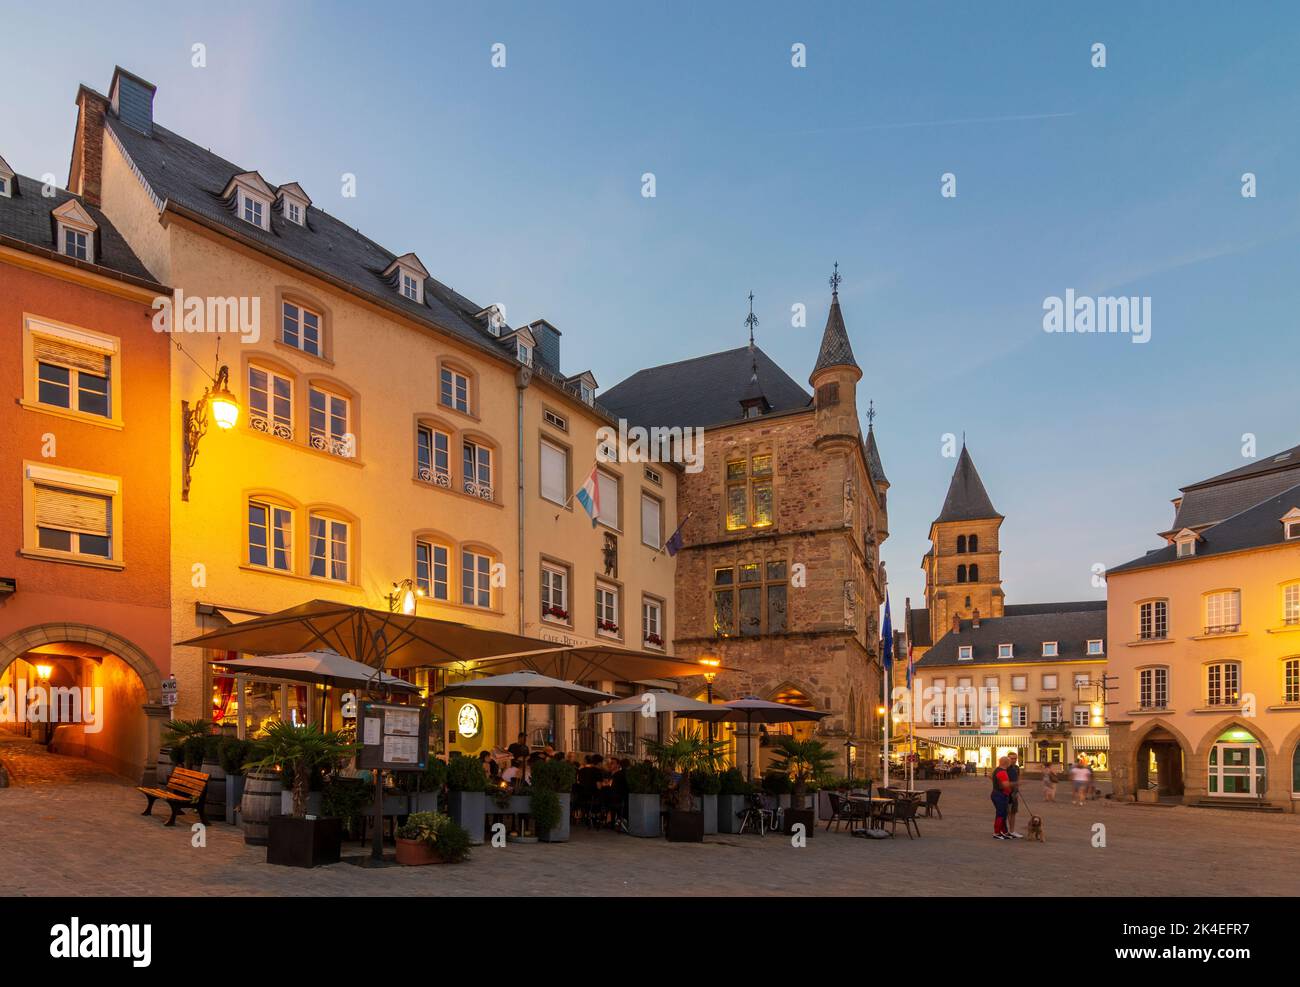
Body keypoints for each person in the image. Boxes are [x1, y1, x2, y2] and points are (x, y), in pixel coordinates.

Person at [991, 756, 1013, 840]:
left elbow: (991, 776)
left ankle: (1003, 831)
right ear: (1006, 763)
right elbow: (1005, 785)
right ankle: (996, 832)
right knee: (1000, 814)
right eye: (1009, 762)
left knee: (1003, 813)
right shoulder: (1002, 772)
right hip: (1000, 795)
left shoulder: (997, 770)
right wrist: (1017, 783)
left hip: (997, 793)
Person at [1004, 752, 1023, 838]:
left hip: (1014, 793)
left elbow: (1018, 779)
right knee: (1007, 812)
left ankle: (1012, 831)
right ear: (1008, 759)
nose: (1014, 760)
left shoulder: (1016, 768)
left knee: (1013, 812)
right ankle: (1007, 831)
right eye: (1012, 758)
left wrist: (1017, 790)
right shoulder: (1004, 768)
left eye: (1015, 758)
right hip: (1006, 793)